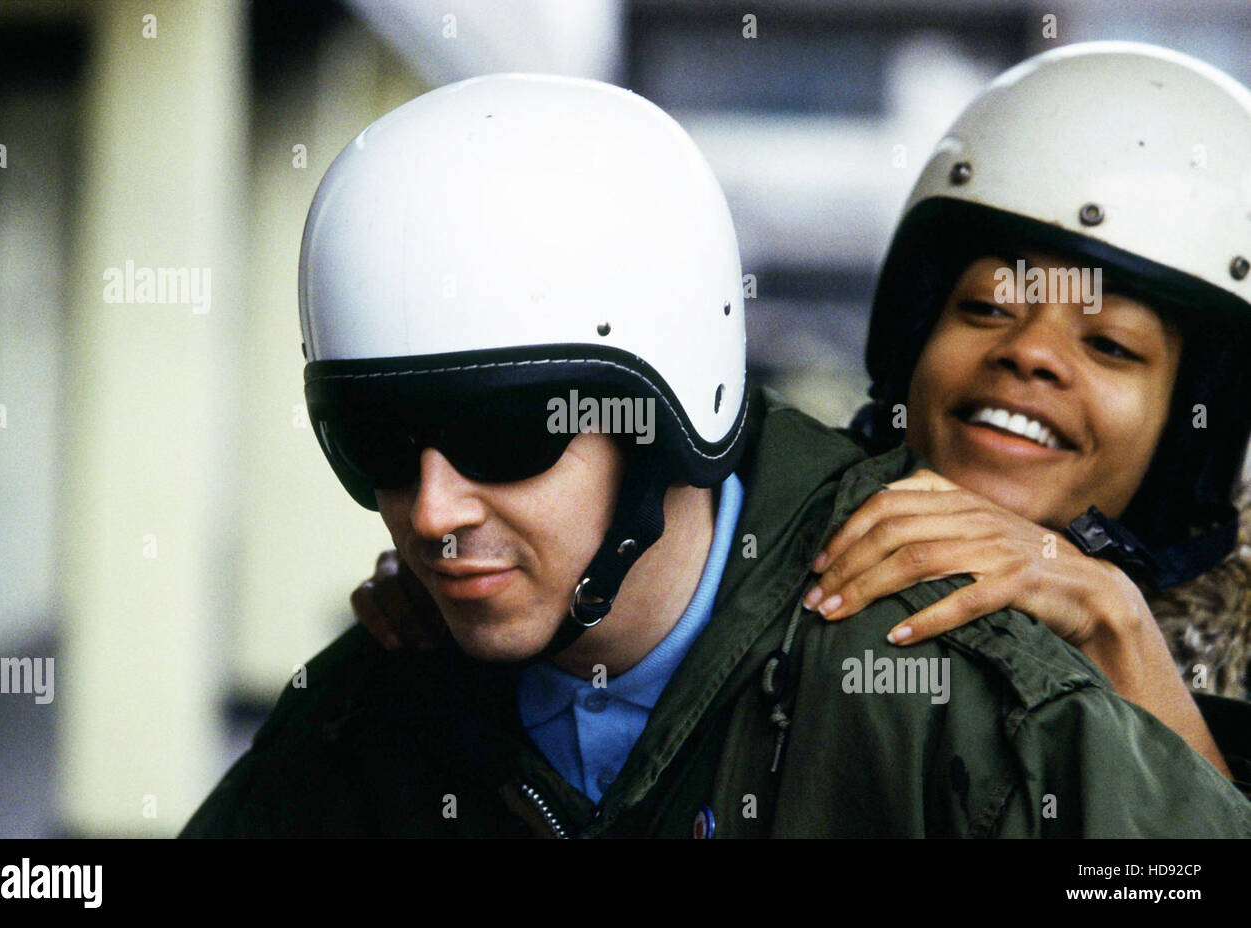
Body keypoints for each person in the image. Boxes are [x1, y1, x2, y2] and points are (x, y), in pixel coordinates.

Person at [181, 72, 1251, 838]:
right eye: (982, 308)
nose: (1028, 358)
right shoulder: (386, 689)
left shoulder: (980, 692)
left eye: (1107, 344)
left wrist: (1112, 629)